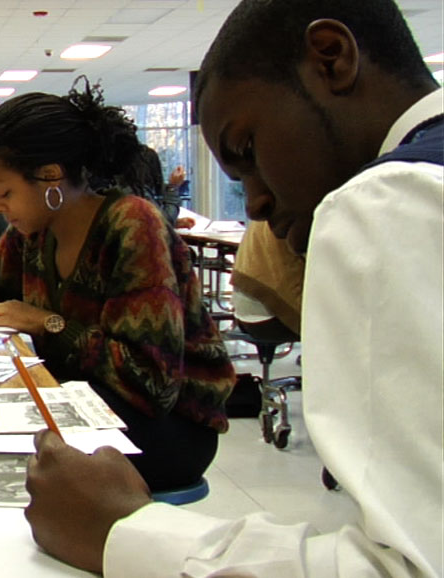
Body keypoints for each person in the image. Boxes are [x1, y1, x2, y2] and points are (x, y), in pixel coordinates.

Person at [23, 1, 442, 575]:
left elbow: (412, 564)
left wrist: (123, 534)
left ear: (331, 57)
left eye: (246, 152)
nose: (256, 205)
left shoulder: (390, 199)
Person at [0, 78, 235, 492]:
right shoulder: (35, 229)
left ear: (51, 177)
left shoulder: (131, 224)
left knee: (8, 455)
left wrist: (45, 323)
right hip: (87, 399)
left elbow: (152, 382)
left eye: (4, 192)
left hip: (167, 428)